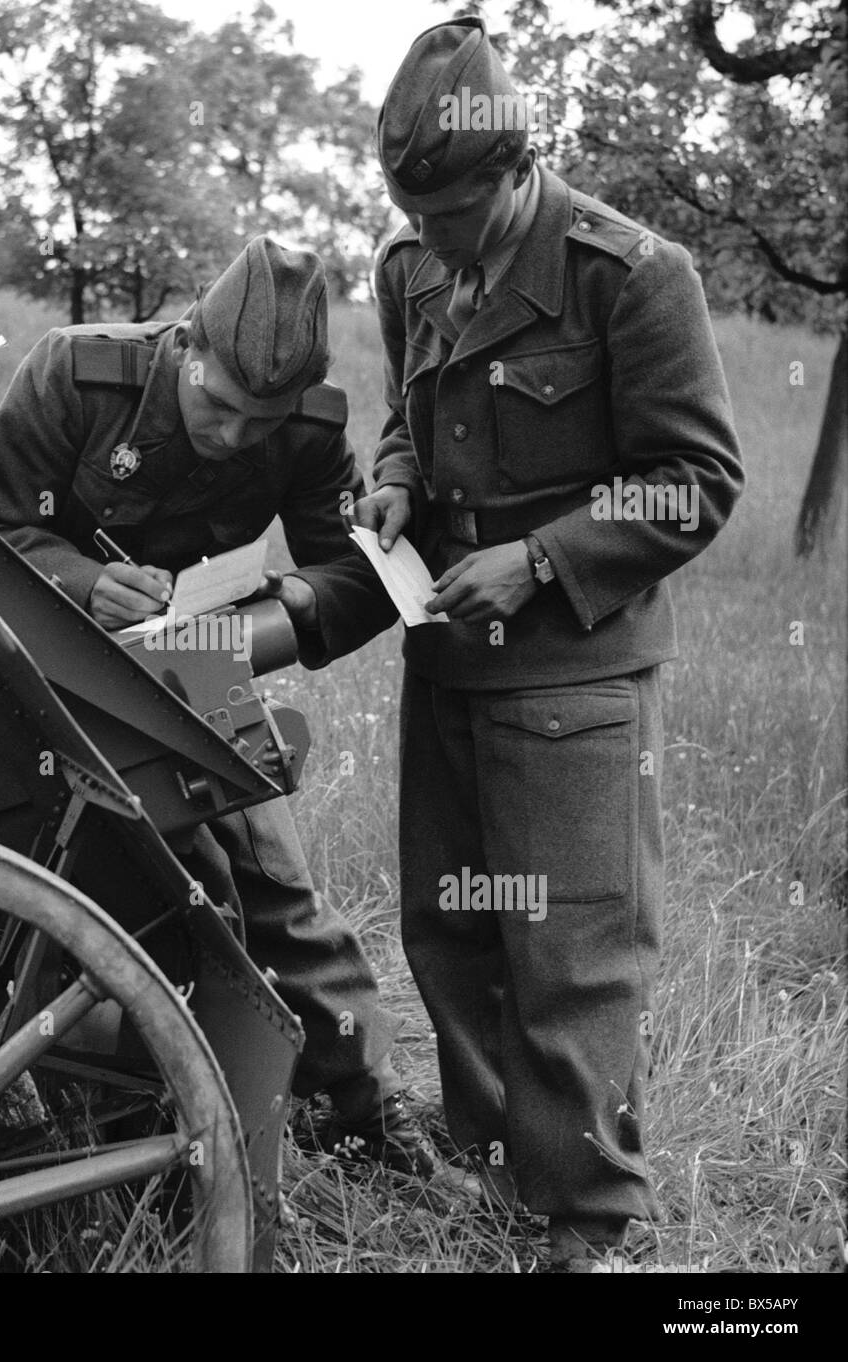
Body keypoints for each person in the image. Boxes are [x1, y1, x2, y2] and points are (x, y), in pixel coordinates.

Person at [353, 16, 744, 1268]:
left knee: (570, 950)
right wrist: (394, 483)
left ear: (515, 174)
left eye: (456, 221)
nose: (434, 250)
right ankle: (490, 1164)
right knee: (451, 927)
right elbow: (412, 409)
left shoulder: (630, 274)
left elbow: (692, 479)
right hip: (448, 657)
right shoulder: (408, 265)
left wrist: (536, 561)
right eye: (415, 222)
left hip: (573, 674)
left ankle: (580, 1218)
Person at [0, 236, 438, 1173]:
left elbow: (352, 570)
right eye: (216, 406)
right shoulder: (76, 373)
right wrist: (82, 582)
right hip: (43, 671)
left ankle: (364, 1113)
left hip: (193, 667)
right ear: (185, 345)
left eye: (258, 424)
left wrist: (292, 603)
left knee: (278, 890)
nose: (232, 436)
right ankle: (144, 1115)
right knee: (154, 893)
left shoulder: (302, 427)